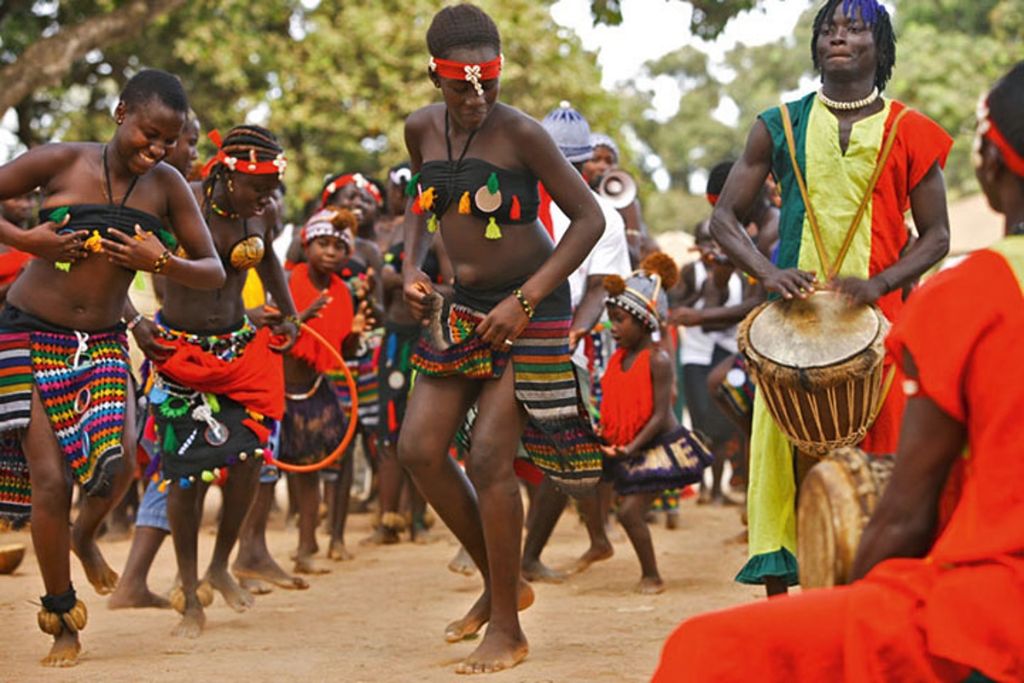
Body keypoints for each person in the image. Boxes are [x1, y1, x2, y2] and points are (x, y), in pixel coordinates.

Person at [653, 59, 1024, 683]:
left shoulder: (971, 295)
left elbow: (906, 512)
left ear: (989, 165)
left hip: (998, 610)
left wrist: (849, 602)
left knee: (702, 650)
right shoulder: (785, 129)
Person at [710, 0, 952, 595]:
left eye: (855, 27)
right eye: (829, 28)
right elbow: (723, 220)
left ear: (881, 46)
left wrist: (881, 284)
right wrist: (767, 272)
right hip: (793, 330)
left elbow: (938, 235)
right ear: (816, 45)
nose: (838, 37)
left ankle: (880, 600)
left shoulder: (908, 130)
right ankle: (791, 617)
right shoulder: (779, 124)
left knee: (885, 471)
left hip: (882, 327)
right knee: (786, 461)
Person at [397, 4, 605, 673]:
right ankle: (503, 581)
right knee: (419, 449)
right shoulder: (420, 128)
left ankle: (508, 628)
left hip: (533, 304)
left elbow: (588, 219)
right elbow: (418, 205)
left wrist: (527, 297)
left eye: (486, 81)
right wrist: (411, 266)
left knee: (489, 455)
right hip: (463, 305)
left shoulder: (523, 134)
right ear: (436, 75)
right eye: (462, 85)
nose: (476, 97)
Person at [0, 69, 225, 666]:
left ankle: (83, 536)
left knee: (120, 465)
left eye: (168, 142)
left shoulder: (168, 186)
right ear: (120, 112)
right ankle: (61, 619)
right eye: (149, 135)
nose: (156, 150)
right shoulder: (60, 161)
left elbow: (214, 269)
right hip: (31, 332)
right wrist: (29, 242)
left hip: (100, 340)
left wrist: (165, 261)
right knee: (50, 482)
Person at [130, 124, 298, 638]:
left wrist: (288, 315)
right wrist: (136, 321)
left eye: (272, 187)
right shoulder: (184, 204)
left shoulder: (262, 212)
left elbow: (269, 263)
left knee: (249, 459)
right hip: (179, 355)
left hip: (239, 351)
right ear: (225, 174)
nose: (268, 197)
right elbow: (133, 261)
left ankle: (221, 564)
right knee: (184, 479)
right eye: (258, 186)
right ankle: (189, 598)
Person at [521, 102, 630, 584]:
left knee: (565, 453)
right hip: (513, 335)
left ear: (588, 163)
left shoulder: (605, 215)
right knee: (499, 449)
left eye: (573, 161)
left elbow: (602, 286)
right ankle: (499, 550)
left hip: (571, 346)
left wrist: (573, 333)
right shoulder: (518, 202)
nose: (564, 168)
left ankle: (529, 554)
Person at [107, 112, 200, 610]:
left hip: (184, 341)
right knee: (175, 461)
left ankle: (216, 569)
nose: (178, 151)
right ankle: (136, 581)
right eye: (187, 141)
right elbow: (120, 275)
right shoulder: (162, 197)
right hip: (174, 346)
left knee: (199, 460)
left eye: (178, 141)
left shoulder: (184, 195)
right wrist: (137, 322)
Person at [599, 253, 711, 594]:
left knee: (631, 513)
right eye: (611, 320)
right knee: (624, 509)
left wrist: (631, 448)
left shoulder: (659, 360)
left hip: (662, 447)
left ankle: (653, 576)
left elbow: (662, 414)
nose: (613, 328)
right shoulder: (621, 359)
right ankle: (643, 569)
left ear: (644, 320)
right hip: (637, 446)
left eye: (619, 320)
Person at [279, 207, 362, 573]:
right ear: (307, 244)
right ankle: (291, 547)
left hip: (317, 386)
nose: (330, 252)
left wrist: (356, 337)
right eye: (323, 244)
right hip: (278, 388)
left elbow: (341, 349)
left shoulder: (342, 293)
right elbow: (275, 335)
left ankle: (317, 541)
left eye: (338, 247)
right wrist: (299, 321)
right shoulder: (284, 281)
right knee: (286, 470)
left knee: (321, 462)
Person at [583, 132, 647, 266]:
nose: (603, 167)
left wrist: (630, 216)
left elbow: (634, 257)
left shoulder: (627, 205)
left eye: (609, 161)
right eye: (595, 160)